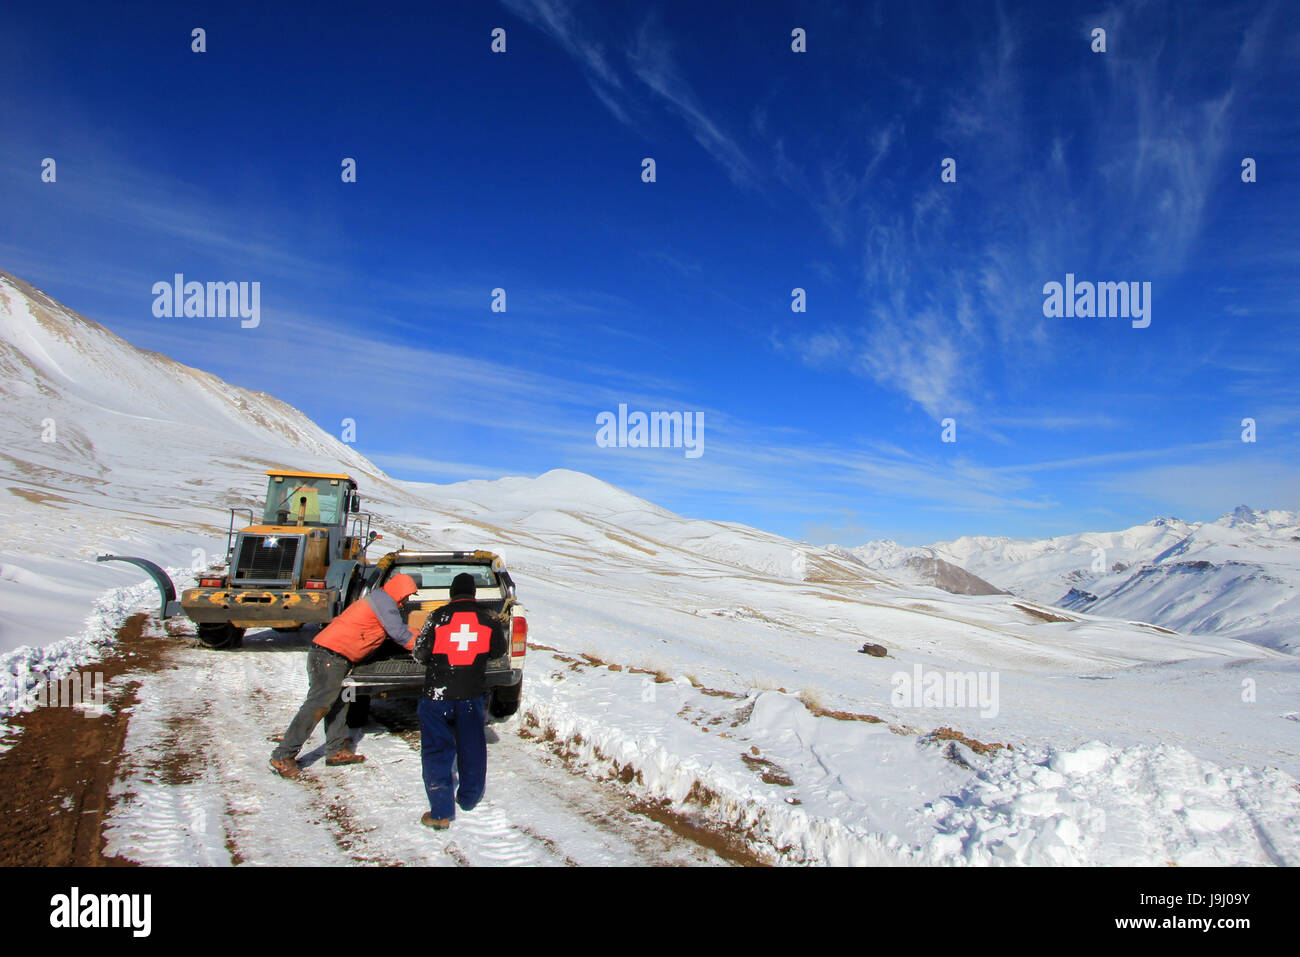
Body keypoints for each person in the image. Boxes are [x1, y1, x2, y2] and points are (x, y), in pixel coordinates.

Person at [269, 573, 420, 778]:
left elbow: (400, 629)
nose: (406, 602)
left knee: (340, 701)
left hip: (335, 657)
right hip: (329, 656)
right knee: (318, 704)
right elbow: (399, 634)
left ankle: (336, 750)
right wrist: (425, 648)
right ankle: (283, 754)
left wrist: (420, 634)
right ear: (399, 591)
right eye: (406, 596)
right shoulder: (385, 602)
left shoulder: (381, 599)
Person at [412, 571, 507, 829]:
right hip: (471, 693)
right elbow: (498, 651)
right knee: (472, 746)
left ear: (452, 593)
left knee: (436, 751)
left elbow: (420, 653)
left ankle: (441, 812)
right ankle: (469, 798)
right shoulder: (488, 619)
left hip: (436, 695)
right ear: (474, 594)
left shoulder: (438, 616)